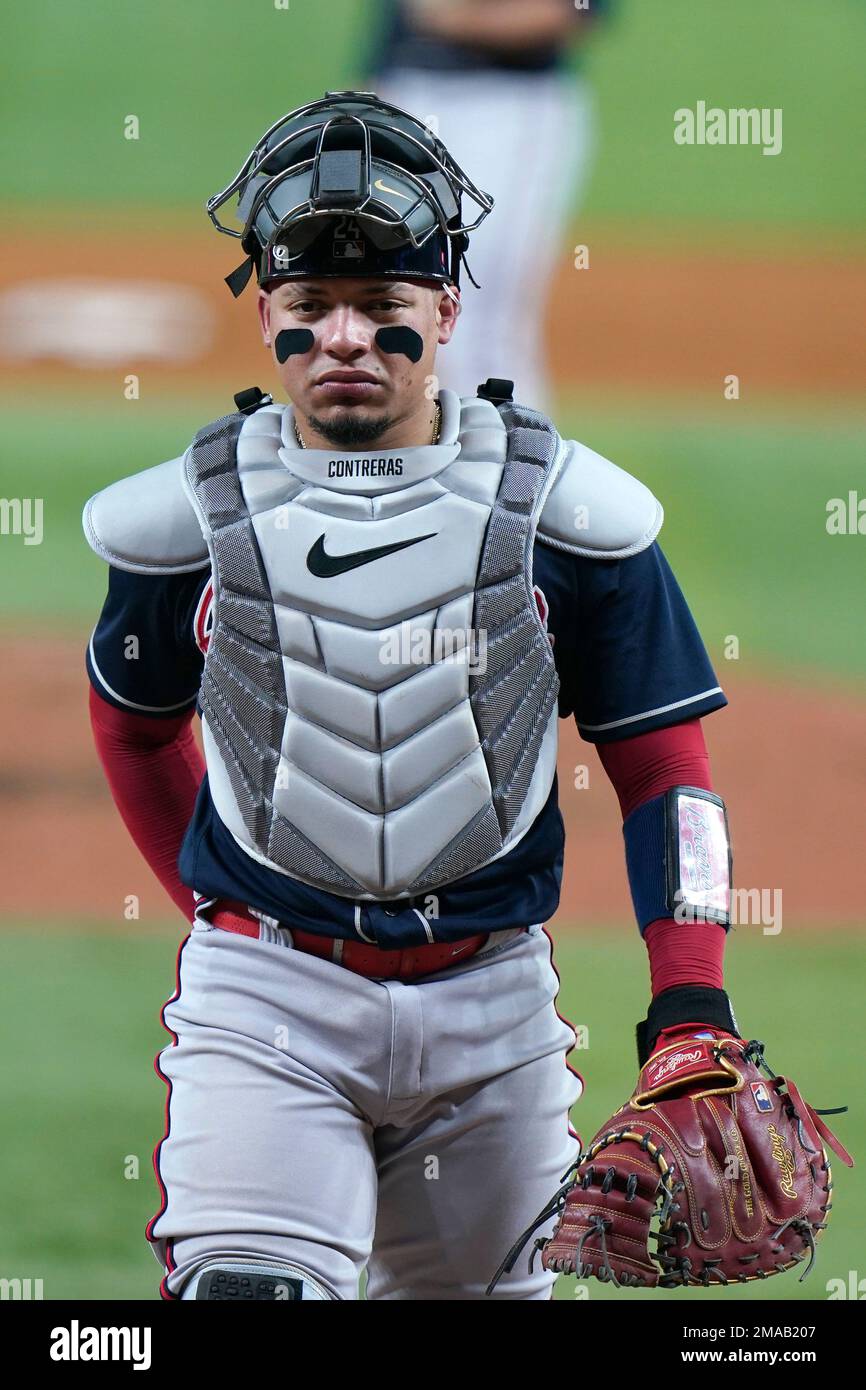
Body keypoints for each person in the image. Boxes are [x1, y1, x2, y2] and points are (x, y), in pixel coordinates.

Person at [81, 93, 763, 1301]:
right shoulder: (183, 524)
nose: (343, 339)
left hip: (492, 1011)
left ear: (445, 308)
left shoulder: (573, 519)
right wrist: (213, 912)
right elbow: (133, 732)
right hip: (267, 1004)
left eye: (382, 310)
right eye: (309, 310)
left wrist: (691, 997)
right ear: (264, 315)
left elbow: (667, 775)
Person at [370, 0, 609, 412]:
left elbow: (574, 12)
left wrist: (462, 20)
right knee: (407, 291)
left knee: (478, 305)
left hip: (508, 103)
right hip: (410, 96)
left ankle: (520, 461)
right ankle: (439, 458)